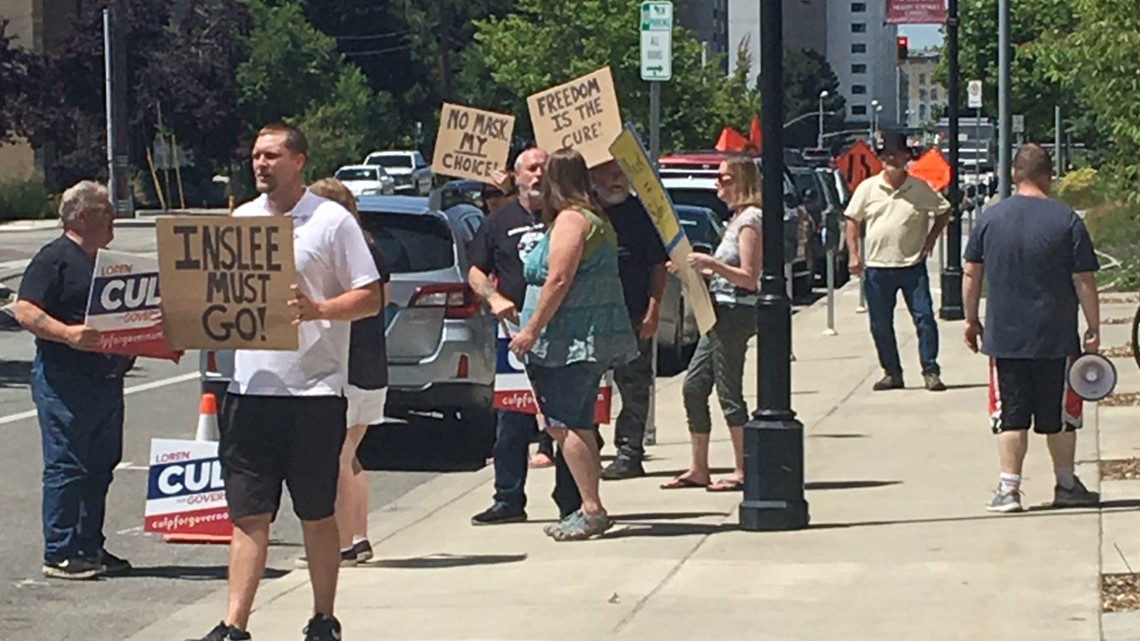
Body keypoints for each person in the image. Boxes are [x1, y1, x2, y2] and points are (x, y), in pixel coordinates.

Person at [192, 123, 382, 641]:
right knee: (249, 514)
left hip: (314, 393)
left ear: (298, 161)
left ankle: (323, 618)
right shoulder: (242, 221)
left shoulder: (331, 222)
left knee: (317, 513)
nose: (260, 164)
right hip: (252, 393)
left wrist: (319, 308)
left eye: (272, 155)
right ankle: (235, 624)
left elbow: (372, 296)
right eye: (255, 155)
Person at [963, 144, 1101, 514]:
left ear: (1013, 174)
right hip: (1055, 338)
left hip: (1004, 337)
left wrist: (971, 318)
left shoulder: (990, 219)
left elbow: (971, 273)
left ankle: (1009, 489)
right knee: (1060, 416)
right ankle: (1066, 484)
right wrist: (1093, 327)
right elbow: (1083, 279)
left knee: (1011, 414)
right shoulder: (1067, 219)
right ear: (1048, 176)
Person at [509, 147, 637, 541]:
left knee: (568, 423)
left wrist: (530, 330)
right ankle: (587, 506)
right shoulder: (592, 217)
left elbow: (559, 279)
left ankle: (592, 509)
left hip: (569, 340)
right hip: (579, 337)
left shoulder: (571, 220)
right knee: (573, 421)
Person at [14, 180, 134, 580]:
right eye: (106, 211)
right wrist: (67, 333)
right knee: (68, 464)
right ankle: (60, 551)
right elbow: (25, 309)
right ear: (81, 216)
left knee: (101, 465)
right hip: (65, 379)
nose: (113, 218)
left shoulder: (106, 261)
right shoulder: (55, 259)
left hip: (107, 379)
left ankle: (88, 545)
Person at [468, 148, 578, 524]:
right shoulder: (499, 222)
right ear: (515, 177)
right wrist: (493, 297)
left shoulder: (568, 218)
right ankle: (508, 499)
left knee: (569, 419)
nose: (538, 175)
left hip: (563, 331)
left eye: (545, 169)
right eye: (531, 169)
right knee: (512, 424)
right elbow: (475, 271)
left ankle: (571, 500)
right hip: (514, 334)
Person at [298, 177, 392, 567]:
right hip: (370, 367)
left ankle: (343, 543)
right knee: (349, 457)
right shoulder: (367, 249)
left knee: (338, 456)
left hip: (351, 366)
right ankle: (358, 537)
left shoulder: (349, 251)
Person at [661, 156, 762, 493]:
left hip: (736, 312)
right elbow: (723, 272)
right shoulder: (734, 219)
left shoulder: (751, 221)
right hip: (718, 311)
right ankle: (699, 467)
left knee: (728, 389)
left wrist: (711, 264)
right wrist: (696, 270)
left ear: (743, 181)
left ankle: (744, 467)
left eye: (726, 178)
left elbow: (749, 277)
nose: (719, 185)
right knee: (693, 386)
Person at [845, 130, 951, 392]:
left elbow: (944, 210)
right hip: (877, 268)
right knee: (880, 324)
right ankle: (892, 372)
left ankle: (930, 370)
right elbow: (852, 221)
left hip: (912, 267)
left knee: (925, 318)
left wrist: (930, 240)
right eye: (886, 154)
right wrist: (854, 254)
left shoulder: (919, 187)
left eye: (897, 154)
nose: (891, 159)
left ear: (907, 157)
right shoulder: (867, 188)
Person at [590, 159, 668, 480]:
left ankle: (629, 452)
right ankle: (586, 444)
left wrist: (653, 310)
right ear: (593, 178)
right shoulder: (584, 214)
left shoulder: (638, 213)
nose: (617, 181)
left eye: (621, 175)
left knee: (634, 384)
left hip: (632, 315)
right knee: (584, 382)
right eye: (610, 176)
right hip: (590, 316)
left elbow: (658, 265)